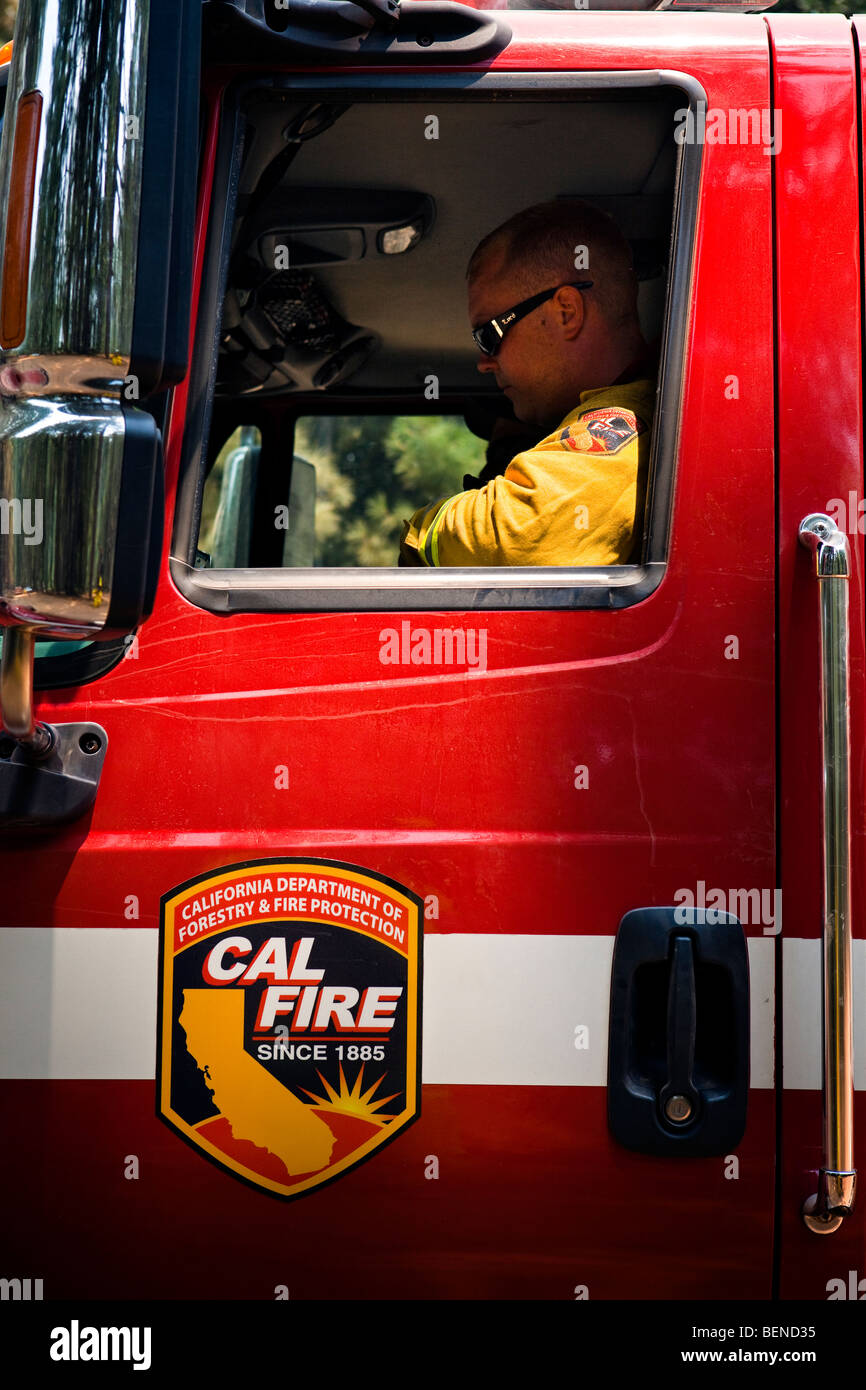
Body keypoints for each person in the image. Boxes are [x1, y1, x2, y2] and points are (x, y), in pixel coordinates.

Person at [398, 200, 657, 567]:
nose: (485, 363)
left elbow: (515, 535)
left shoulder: (630, 420)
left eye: (489, 334)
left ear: (567, 312)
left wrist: (421, 531)